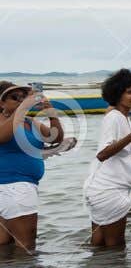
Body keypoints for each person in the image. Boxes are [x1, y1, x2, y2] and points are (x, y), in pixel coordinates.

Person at [0, 84, 76, 255]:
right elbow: (3, 136)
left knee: (5, 243)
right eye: (15, 97)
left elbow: (55, 137)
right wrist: (26, 104)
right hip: (12, 187)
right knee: (27, 244)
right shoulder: (4, 121)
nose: (20, 100)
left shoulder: (29, 122)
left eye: (23, 96)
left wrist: (50, 112)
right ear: (1, 103)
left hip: (22, 188)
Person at [82, 68, 131, 248]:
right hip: (109, 190)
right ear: (117, 93)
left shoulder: (124, 117)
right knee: (116, 245)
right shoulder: (114, 118)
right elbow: (103, 153)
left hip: (104, 187)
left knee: (98, 243)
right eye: (130, 92)